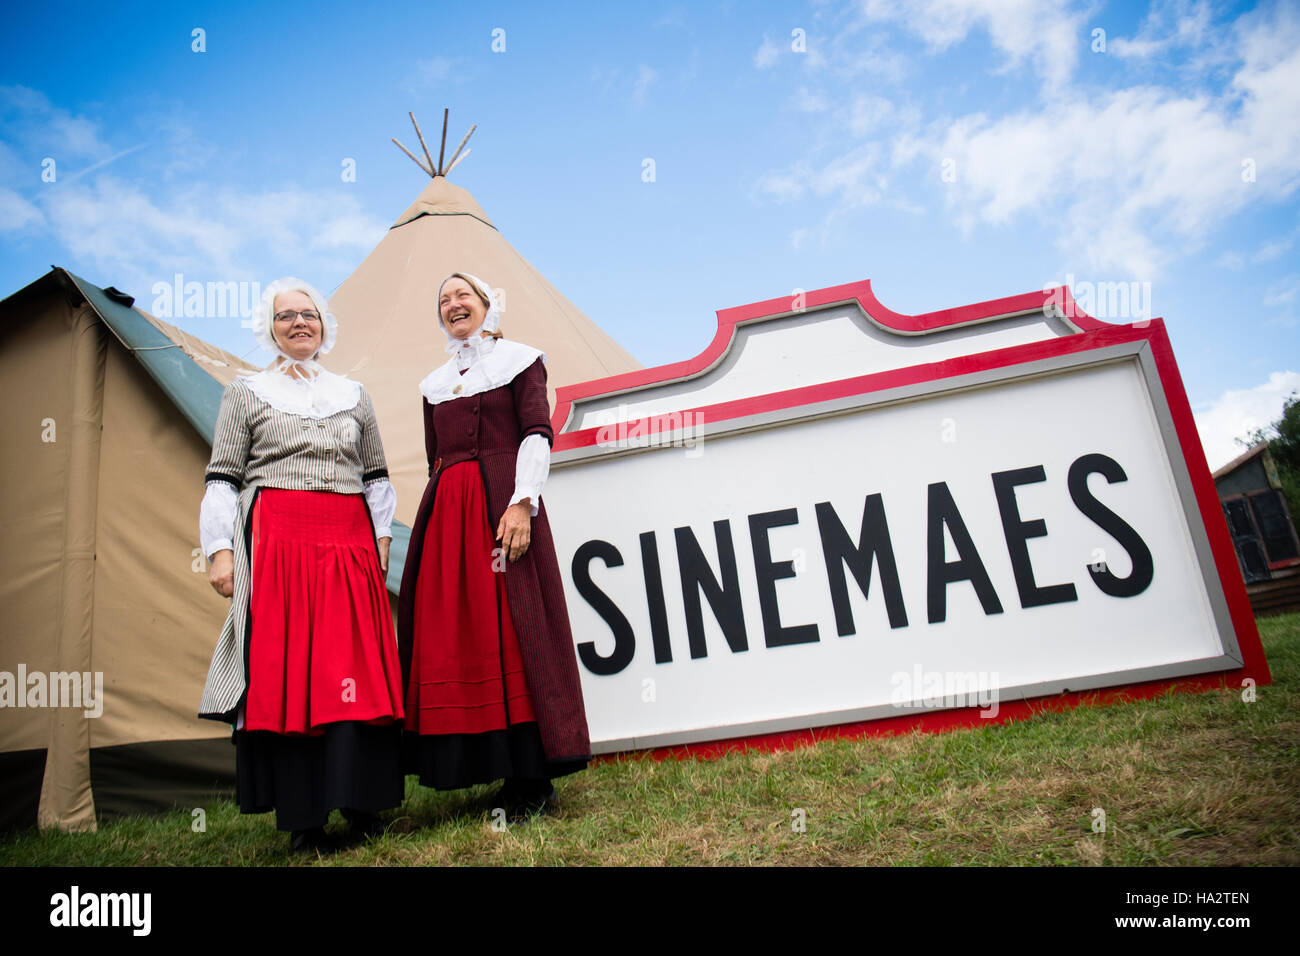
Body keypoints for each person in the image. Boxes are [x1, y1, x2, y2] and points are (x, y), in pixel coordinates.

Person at [198, 277, 405, 853]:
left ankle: (364, 803)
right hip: (278, 540)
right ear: (269, 326)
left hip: (349, 539)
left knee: (354, 668)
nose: (298, 323)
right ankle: (305, 819)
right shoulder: (246, 392)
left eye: (308, 314)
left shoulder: (353, 393)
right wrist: (219, 550)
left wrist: (381, 540)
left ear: (323, 324)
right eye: (286, 316)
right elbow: (222, 477)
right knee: (291, 673)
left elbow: (377, 475)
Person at [398, 272, 590, 819]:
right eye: (444, 300)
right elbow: (437, 455)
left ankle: (533, 778)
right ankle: (484, 765)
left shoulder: (523, 360)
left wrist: (521, 502)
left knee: (516, 627)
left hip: (501, 507)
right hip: (447, 518)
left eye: (463, 296)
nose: (453, 304)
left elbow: (535, 432)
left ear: (487, 305)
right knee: (460, 631)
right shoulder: (433, 384)